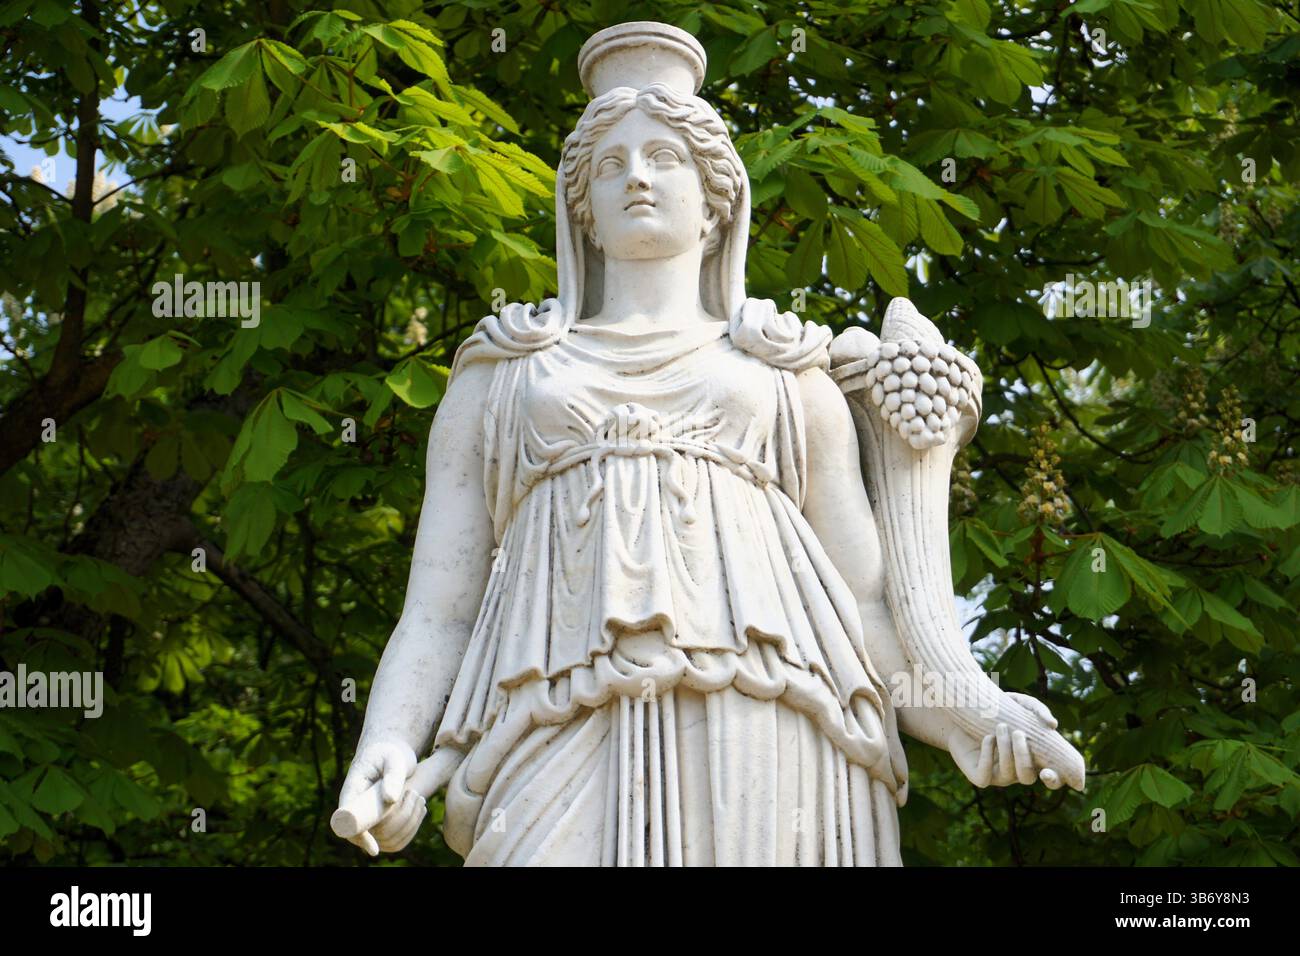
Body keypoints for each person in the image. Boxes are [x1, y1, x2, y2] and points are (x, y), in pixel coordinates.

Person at [337, 23, 1082, 866]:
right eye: (609, 165)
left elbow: (872, 605)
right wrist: (389, 743)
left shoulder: (786, 376)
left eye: (666, 157)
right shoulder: (503, 374)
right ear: (578, 205)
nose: (638, 177)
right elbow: (441, 607)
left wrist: (970, 718)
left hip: (772, 713)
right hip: (549, 715)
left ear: (718, 197)